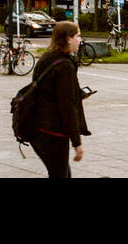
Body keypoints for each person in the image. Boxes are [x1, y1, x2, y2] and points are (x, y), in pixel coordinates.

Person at [29, 20, 91, 178]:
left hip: (38, 128)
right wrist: (76, 143)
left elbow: (47, 90)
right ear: (68, 39)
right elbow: (67, 107)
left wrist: (75, 94)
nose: (80, 40)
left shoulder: (48, 58)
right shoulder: (64, 66)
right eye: (78, 36)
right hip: (53, 132)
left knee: (61, 174)